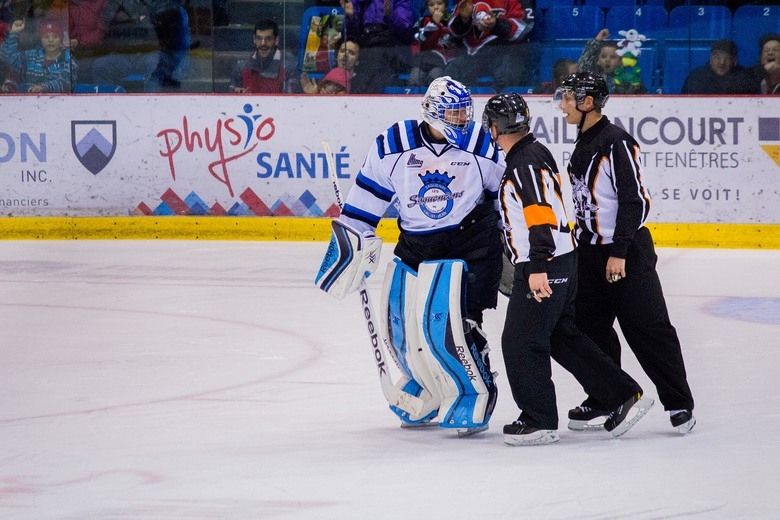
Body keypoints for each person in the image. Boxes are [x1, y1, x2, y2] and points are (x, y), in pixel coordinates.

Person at [315, 76, 504, 435]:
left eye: (466, 113)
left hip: (470, 243)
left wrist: (513, 246)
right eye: (455, 114)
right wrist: (353, 242)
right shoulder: (394, 143)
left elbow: (501, 196)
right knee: (400, 322)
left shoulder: (481, 144)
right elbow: (367, 198)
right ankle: (426, 382)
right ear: (432, 113)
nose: (463, 121)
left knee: (450, 326)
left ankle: (473, 390)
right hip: (416, 242)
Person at [482, 93, 653, 446]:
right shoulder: (533, 151)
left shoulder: (522, 163)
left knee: (520, 341)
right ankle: (622, 394)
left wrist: (538, 266)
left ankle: (539, 420)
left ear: (494, 128)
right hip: (564, 259)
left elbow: (539, 216)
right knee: (562, 337)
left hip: (545, 264)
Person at [554, 71, 696, 435]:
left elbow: (635, 202)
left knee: (647, 328)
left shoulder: (616, 141)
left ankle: (679, 401)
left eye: (569, 98)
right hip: (589, 252)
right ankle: (605, 396)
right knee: (590, 328)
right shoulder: (585, 140)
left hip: (625, 253)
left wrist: (619, 251)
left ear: (588, 103)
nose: (563, 105)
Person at [445, 0, 533, 90]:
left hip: (505, 53)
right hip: (472, 57)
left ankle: (502, 102)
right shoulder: (465, 2)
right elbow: (453, 32)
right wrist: (464, 20)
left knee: (509, 71)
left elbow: (523, 28)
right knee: (452, 72)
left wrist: (496, 25)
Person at [341, 0, 415, 93]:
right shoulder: (359, 2)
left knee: (372, 73)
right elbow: (348, 36)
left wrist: (390, 15)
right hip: (366, 51)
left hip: (392, 51)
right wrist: (350, 17)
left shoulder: (399, 1)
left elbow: (405, 32)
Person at [1, 18, 76, 93]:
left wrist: (43, 87)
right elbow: (9, 58)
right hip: (30, 102)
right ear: (41, 39)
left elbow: (66, 83)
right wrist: (14, 33)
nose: (50, 40)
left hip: (60, 103)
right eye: (46, 37)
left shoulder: (69, 60)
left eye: (55, 36)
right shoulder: (31, 56)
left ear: (61, 39)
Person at [230, 19, 297, 93]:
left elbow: (289, 101)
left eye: (268, 39)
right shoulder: (241, 67)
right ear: (254, 39)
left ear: (276, 40)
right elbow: (232, 99)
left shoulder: (288, 68)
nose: (263, 43)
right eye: (259, 38)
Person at [407, 0, 459, 87]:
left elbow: (455, 44)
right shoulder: (422, 21)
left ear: (445, 6)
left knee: (436, 78)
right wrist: (433, 24)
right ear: (427, 7)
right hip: (422, 61)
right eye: (431, 5)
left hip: (442, 63)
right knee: (414, 78)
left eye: (439, 3)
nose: (436, 7)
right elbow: (418, 39)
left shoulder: (452, 22)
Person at [578, 29, 645, 94]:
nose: (607, 60)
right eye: (603, 56)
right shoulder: (594, 77)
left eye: (612, 57)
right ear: (598, 60)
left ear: (621, 62)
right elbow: (583, 63)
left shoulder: (628, 79)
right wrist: (597, 40)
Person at [681, 39, 754, 94]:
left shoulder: (744, 77)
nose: (722, 63)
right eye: (717, 57)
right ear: (711, 58)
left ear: (734, 61)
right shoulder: (696, 78)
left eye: (727, 58)